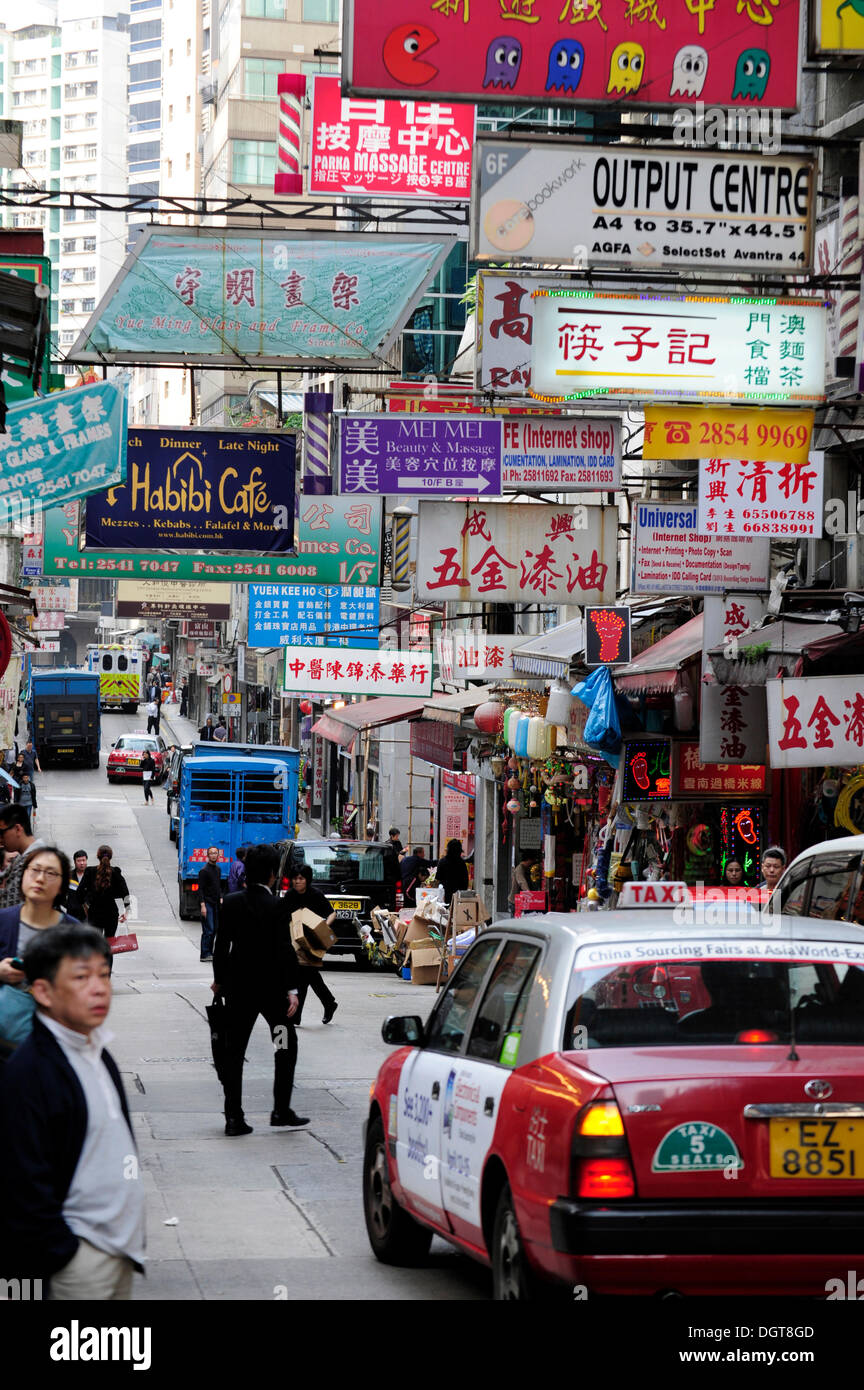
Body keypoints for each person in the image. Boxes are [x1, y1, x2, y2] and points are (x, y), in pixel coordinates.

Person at [0, 923, 145, 1296]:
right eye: (81, 977)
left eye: (103, 975)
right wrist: (65, 1254)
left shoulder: (99, 1052)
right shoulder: (29, 1074)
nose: (99, 988)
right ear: (43, 991)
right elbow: (21, 1186)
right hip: (78, 1264)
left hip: (120, 1252)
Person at [212, 844, 307, 1136]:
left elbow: (221, 947)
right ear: (270, 874)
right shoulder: (278, 907)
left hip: (239, 992)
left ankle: (233, 1117)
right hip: (272, 994)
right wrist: (292, 989)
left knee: (235, 1052)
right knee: (283, 1044)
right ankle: (280, 1109)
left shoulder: (231, 902)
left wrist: (220, 980)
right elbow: (284, 950)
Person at [0, 847, 80, 1055]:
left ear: (62, 886)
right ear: (23, 875)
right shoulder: (3, 921)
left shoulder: (75, 933)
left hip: (54, 1048)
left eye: (51, 873)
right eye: (34, 870)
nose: (40, 878)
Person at [281, 864, 338, 1025]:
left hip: (314, 941)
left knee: (306, 974)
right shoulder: (290, 895)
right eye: (295, 878)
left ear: (307, 880)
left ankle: (297, 1015)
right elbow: (283, 916)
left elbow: (332, 913)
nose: (297, 882)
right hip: (296, 942)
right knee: (309, 975)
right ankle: (329, 1003)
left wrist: (324, 928)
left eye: (301, 879)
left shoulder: (315, 894)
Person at [78, 846, 131, 941]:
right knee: (109, 945)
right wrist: (126, 911)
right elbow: (125, 892)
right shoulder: (116, 872)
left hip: (94, 913)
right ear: (110, 857)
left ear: (98, 857)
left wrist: (85, 906)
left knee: (96, 946)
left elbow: (79, 892)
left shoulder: (90, 872)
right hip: (111, 914)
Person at [0, 805, 45, 910]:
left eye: (1, 833)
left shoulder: (35, 862)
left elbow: (10, 905)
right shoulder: (26, 856)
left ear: (17, 829)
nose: (0, 839)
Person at [198, 844, 222, 963]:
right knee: (209, 929)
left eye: (215, 853)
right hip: (207, 903)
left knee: (215, 929)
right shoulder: (204, 871)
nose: (213, 855)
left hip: (216, 903)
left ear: (218, 855)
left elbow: (218, 886)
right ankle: (204, 953)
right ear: (208, 855)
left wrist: (221, 897)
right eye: (211, 853)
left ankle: (210, 952)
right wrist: (203, 905)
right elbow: (200, 889)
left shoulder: (218, 869)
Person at [435, 838, 469, 905]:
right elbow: (465, 881)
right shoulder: (462, 863)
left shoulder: (442, 862)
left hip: (445, 897)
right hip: (459, 897)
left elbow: (438, 879)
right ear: (459, 851)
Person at [508, 850, 537, 915]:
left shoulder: (524, 868)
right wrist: (528, 893)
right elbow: (522, 882)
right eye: (532, 861)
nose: (532, 863)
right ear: (528, 860)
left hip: (519, 901)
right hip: (515, 902)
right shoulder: (519, 869)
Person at [67, 850, 89, 920]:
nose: (82, 863)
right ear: (75, 862)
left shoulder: (91, 875)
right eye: (79, 861)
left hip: (88, 914)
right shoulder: (69, 876)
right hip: (72, 914)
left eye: (84, 860)